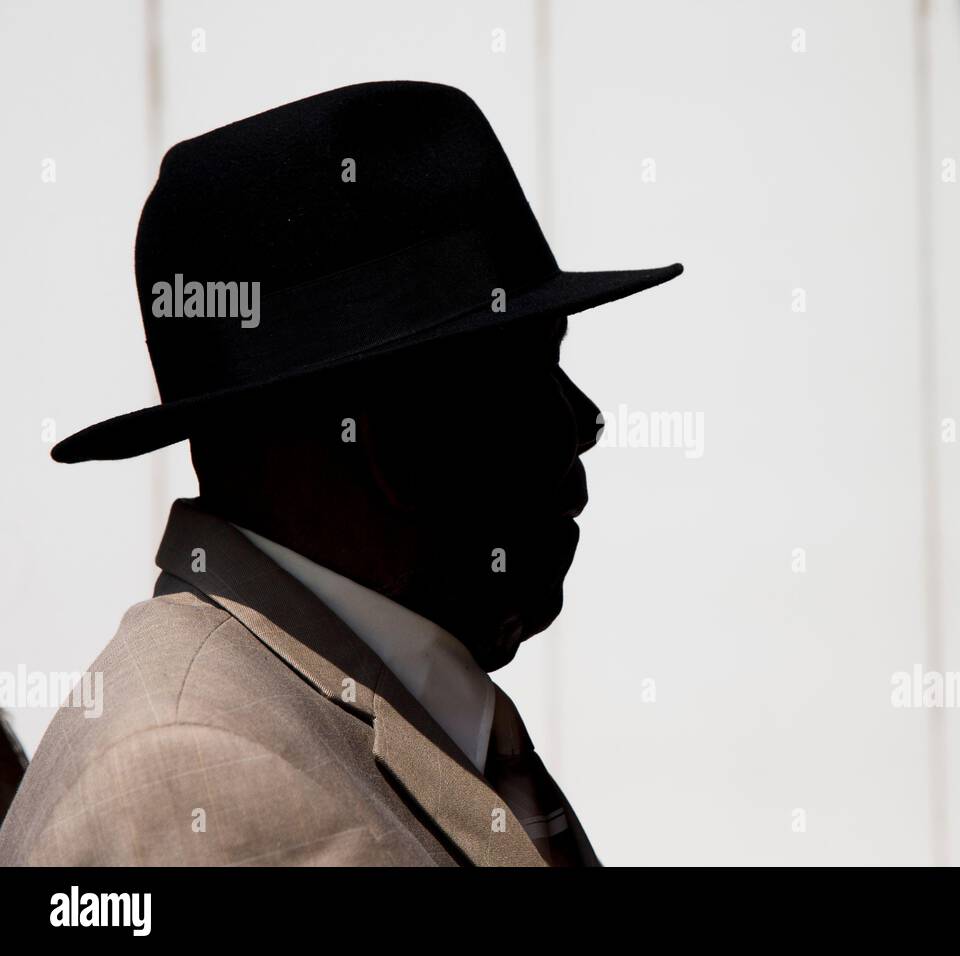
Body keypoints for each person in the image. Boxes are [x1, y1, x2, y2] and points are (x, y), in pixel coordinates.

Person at [0, 81, 682, 866]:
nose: (585, 422)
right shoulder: (190, 776)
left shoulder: (376, 702)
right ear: (382, 441)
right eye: (532, 372)